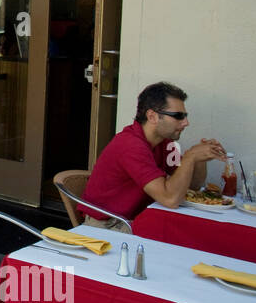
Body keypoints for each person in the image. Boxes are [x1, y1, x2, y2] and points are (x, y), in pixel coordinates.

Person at [79, 82, 227, 227]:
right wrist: (190, 157)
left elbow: (192, 186)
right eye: (178, 116)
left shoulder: (165, 142)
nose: (186, 122)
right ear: (152, 116)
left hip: (137, 218)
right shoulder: (131, 145)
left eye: (185, 115)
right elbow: (170, 199)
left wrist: (200, 159)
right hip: (108, 224)